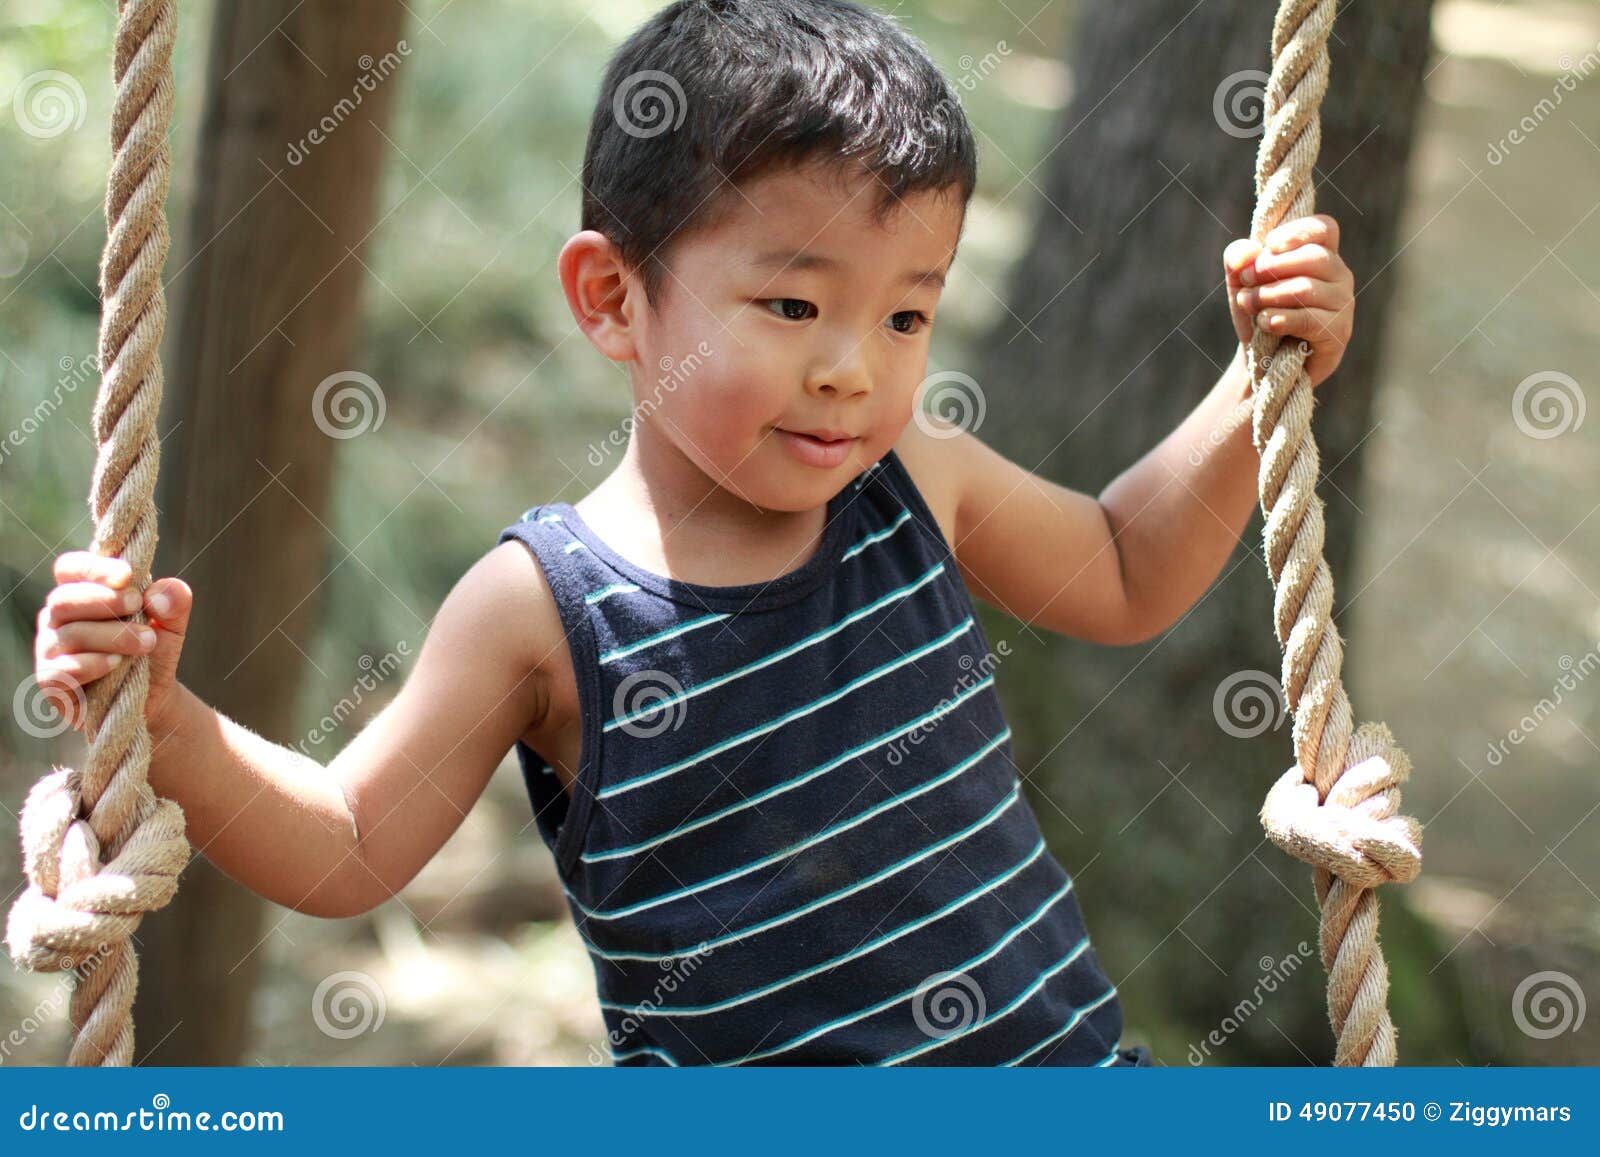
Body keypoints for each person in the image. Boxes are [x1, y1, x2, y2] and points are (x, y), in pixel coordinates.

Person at [31, 0, 1354, 1066]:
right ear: (614, 297)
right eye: (792, 306)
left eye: (905, 316)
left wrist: (1259, 375)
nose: (853, 368)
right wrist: (167, 726)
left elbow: (1124, 569)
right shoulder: (547, 606)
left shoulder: (917, 482)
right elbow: (349, 842)